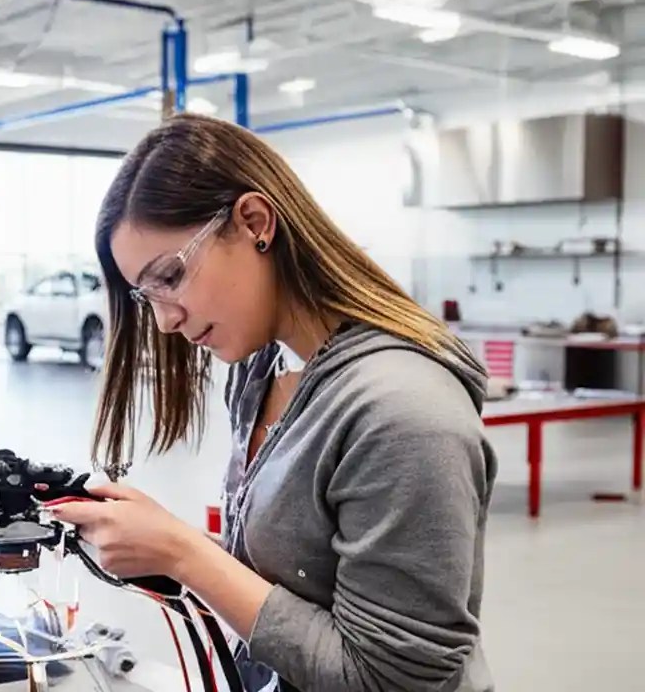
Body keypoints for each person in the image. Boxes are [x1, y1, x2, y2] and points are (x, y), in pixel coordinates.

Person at [47, 113, 497, 692]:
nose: (164, 320)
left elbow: (391, 679)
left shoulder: (403, 414)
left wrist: (185, 554)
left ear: (255, 222)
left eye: (171, 276)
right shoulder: (264, 368)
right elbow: (300, 579)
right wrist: (156, 539)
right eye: (146, 296)